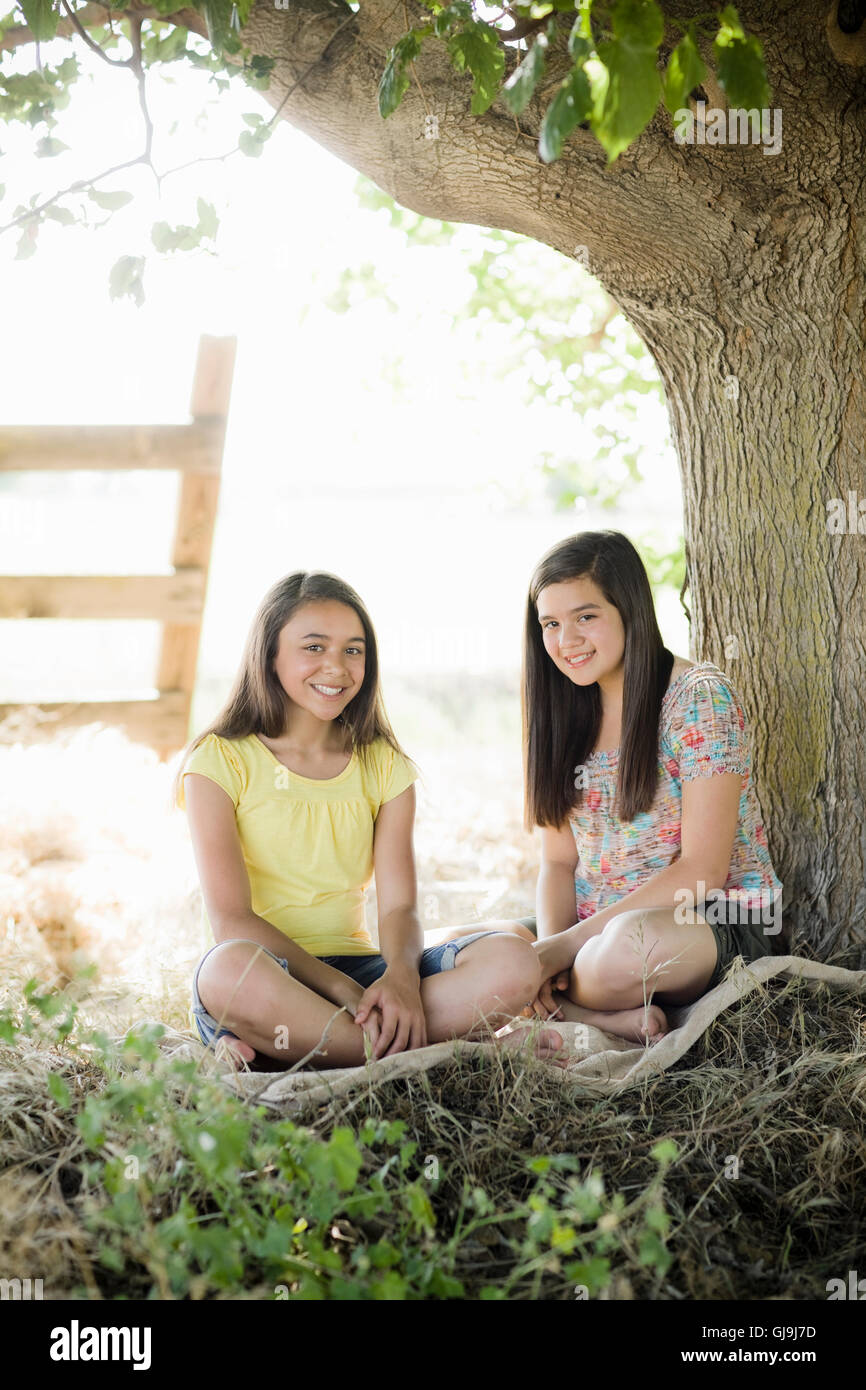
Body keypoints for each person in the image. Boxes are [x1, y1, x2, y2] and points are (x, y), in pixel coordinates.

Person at [172, 570, 564, 1070]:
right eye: (314, 647)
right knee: (226, 972)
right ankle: (450, 1053)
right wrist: (344, 991)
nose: (335, 667)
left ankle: (315, 1048)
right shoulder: (218, 761)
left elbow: (400, 908)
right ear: (268, 654)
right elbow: (233, 921)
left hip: (365, 969)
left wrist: (399, 977)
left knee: (512, 960)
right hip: (271, 972)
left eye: (353, 650)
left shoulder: (382, 764)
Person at [434, 530, 783, 1044]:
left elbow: (703, 871)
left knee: (616, 954)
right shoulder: (559, 709)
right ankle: (589, 1013)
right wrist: (552, 946)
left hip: (712, 920)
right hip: (588, 926)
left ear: (629, 609)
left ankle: (570, 1001)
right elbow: (558, 862)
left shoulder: (699, 699)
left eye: (586, 616)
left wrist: (559, 951)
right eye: (550, 623)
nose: (565, 640)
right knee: (456, 948)